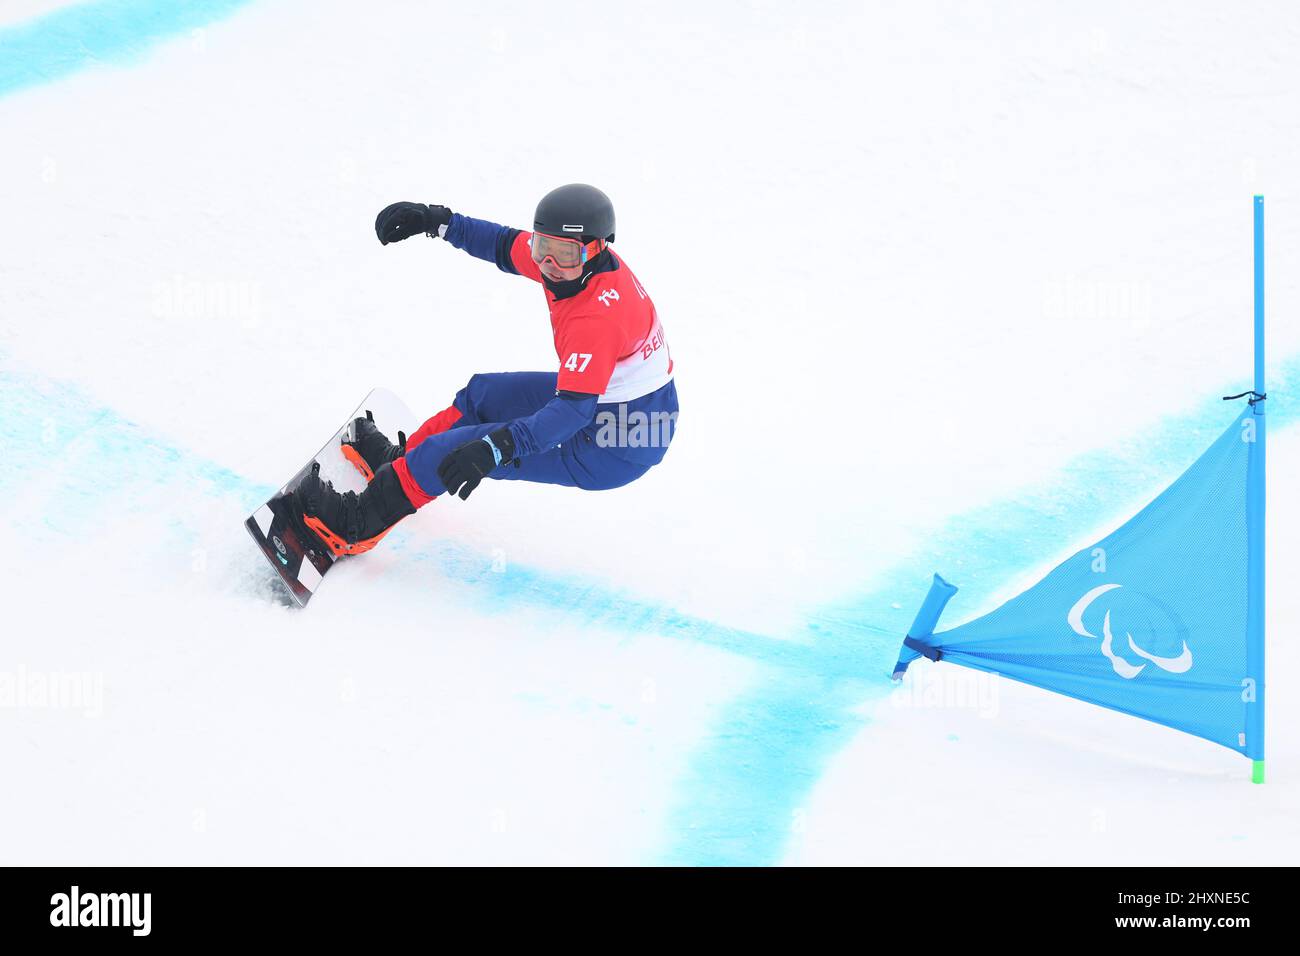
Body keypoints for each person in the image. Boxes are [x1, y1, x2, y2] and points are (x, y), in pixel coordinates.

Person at [288, 183, 679, 557]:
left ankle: (354, 524)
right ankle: (403, 464)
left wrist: (497, 448)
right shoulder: (573, 266)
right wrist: (436, 221)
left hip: (617, 445)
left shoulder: (596, 319)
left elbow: (571, 413)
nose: (550, 266)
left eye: (567, 255)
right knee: (483, 396)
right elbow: (504, 245)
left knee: (454, 451)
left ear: (596, 250)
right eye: (543, 248)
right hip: (624, 405)